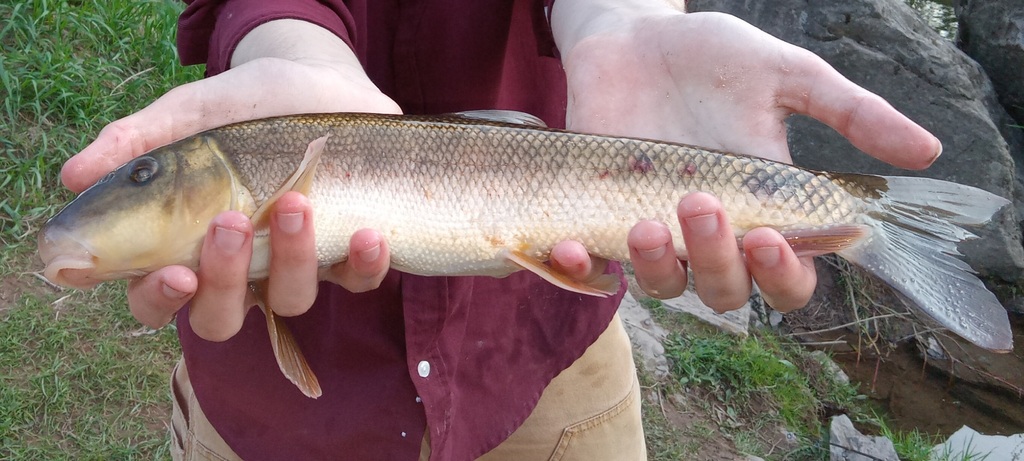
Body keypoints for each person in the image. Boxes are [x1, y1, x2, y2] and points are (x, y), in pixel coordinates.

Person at [61, 0, 941, 459]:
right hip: (279, 419)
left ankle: (860, 217)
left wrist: (626, 20)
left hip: (548, 366)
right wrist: (291, 49)